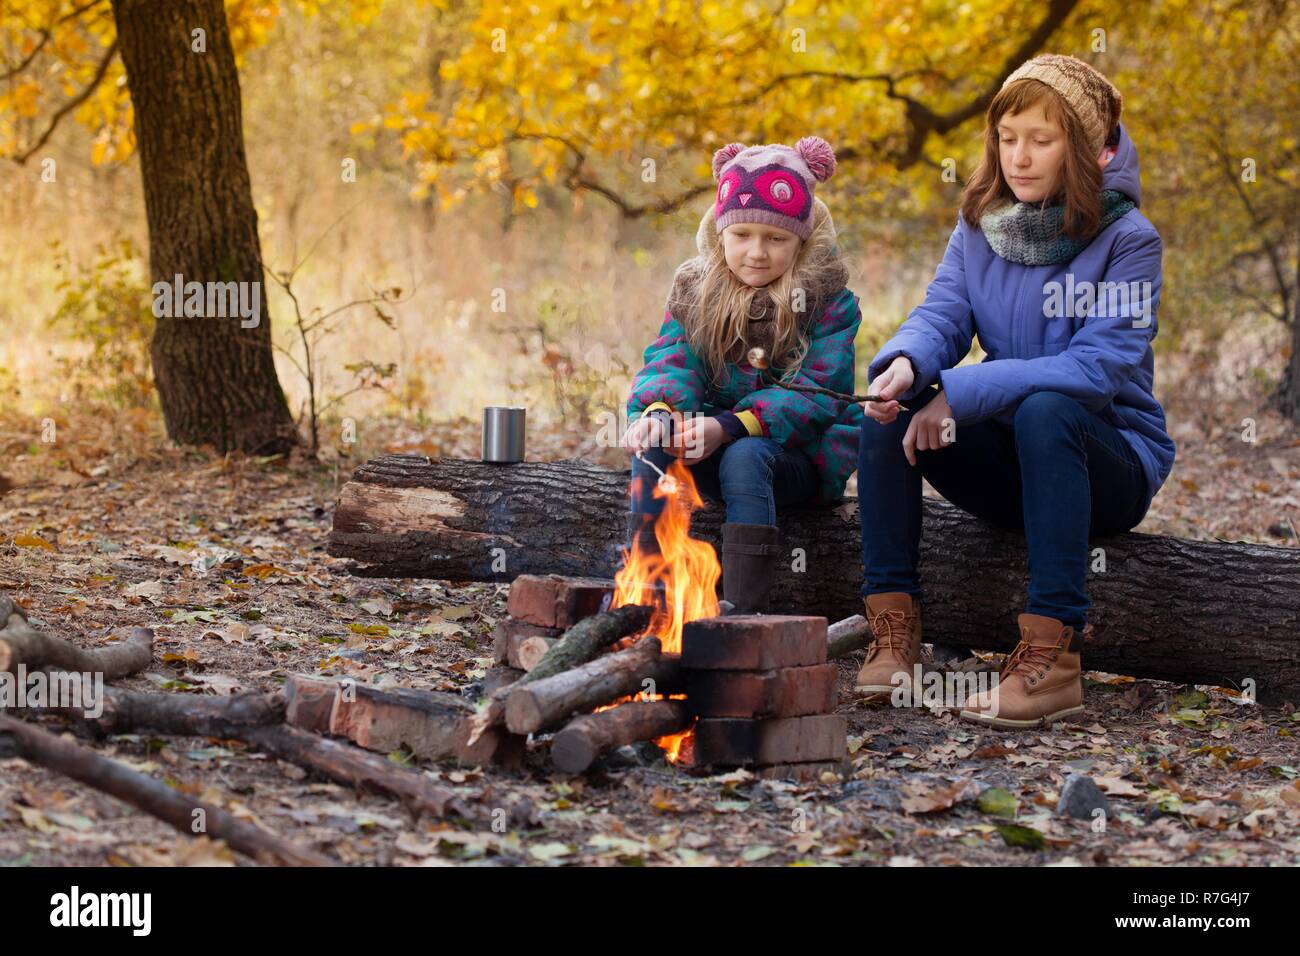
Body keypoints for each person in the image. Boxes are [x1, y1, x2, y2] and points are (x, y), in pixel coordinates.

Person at [855, 54, 1176, 728]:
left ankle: (1052, 661)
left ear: (1082, 148)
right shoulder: (980, 224)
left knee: (1048, 408)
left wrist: (962, 391)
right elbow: (943, 313)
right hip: (1015, 464)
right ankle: (894, 632)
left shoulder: (1129, 240)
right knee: (890, 413)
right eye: (1007, 138)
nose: (1020, 157)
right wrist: (910, 366)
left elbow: (1095, 370)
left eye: (1042, 139)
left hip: (1105, 465)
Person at [622, 137, 863, 613]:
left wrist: (731, 426)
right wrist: (660, 409)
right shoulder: (696, 288)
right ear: (720, 234)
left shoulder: (829, 300)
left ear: (802, 239)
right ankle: (649, 597)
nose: (757, 252)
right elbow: (674, 357)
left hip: (798, 457)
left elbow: (820, 392)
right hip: (710, 438)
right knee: (657, 438)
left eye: (776, 238)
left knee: (747, 455)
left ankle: (742, 613)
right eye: (742, 235)